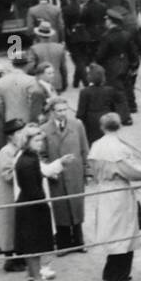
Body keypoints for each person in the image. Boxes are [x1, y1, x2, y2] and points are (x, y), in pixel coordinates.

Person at [13, 126, 72, 281]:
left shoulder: (30, 158)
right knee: (33, 244)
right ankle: (36, 279)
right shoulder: (27, 161)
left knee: (34, 244)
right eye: (36, 141)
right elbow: (32, 188)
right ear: (27, 141)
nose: (40, 144)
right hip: (32, 206)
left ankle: (34, 276)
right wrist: (42, 204)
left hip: (31, 204)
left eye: (41, 141)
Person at [41, 98, 88, 253]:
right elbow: (42, 155)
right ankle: (64, 244)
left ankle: (79, 242)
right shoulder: (44, 130)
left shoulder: (77, 125)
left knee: (76, 206)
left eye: (64, 109)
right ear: (52, 112)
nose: (62, 113)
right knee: (60, 209)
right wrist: (49, 171)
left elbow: (84, 149)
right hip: (57, 176)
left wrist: (86, 172)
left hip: (75, 174)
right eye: (59, 110)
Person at [0, 119, 28, 272]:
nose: (23, 136)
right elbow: (8, 175)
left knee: (16, 226)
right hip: (7, 196)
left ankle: (19, 256)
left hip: (16, 195)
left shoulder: (19, 149)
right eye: (19, 133)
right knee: (8, 227)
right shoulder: (6, 152)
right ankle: (11, 260)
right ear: (11, 136)